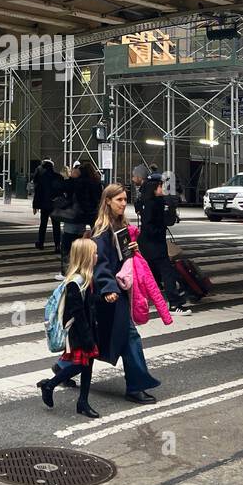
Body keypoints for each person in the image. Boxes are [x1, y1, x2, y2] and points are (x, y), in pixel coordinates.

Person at [92, 183, 161, 404]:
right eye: (119, 200)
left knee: (98, 338)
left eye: (125, 199)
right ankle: (136, 386)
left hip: (120, 290)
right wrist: (108, 288)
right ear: (108, 202)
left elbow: (122, 260)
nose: (124, 203)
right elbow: (99, 265)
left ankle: (64, 367)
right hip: (110, 293)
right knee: (130, 337)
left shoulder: (121, 226)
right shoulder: (102, 231)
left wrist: (132, 251)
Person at [37, 236, 101, 418]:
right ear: (86, 257)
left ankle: (83, 402)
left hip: (87, 329)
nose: (97, 256)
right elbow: (77, 313)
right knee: (81, 365)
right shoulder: (75, 282)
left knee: (87, 366)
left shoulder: (87, 279)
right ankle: (50, 385)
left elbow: (89, 305)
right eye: (94, 253)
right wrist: (87, 337)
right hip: (78, 332)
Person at [137, 173, 190, 315]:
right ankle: (174, 303)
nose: (162, 189)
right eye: (159, 186)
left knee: (152, 272)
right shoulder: (155, 203)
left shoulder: (145, 201)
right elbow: (156, 224)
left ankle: (144, 299)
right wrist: (163, 222)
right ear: (153, 188)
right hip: (154, 243)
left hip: (147, 243)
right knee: (167, 272)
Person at [60, 160, 103, 268]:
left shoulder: (78, 182)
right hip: (94, 214)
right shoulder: (97, 182)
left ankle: (67, 269)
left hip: (78, 216)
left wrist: (71, 177)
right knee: (95, 240)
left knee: (69, 242)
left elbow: (65, 188)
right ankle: (92, 264)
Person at [32, 158, 62, 250]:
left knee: (43, 224)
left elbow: (37, 193)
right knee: (56, 226)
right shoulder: (58, 177)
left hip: (44, 205)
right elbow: (61, 191)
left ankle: (40, 243)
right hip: (55, 205)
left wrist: (35, 206)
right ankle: (57, 245)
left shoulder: (41, 178)